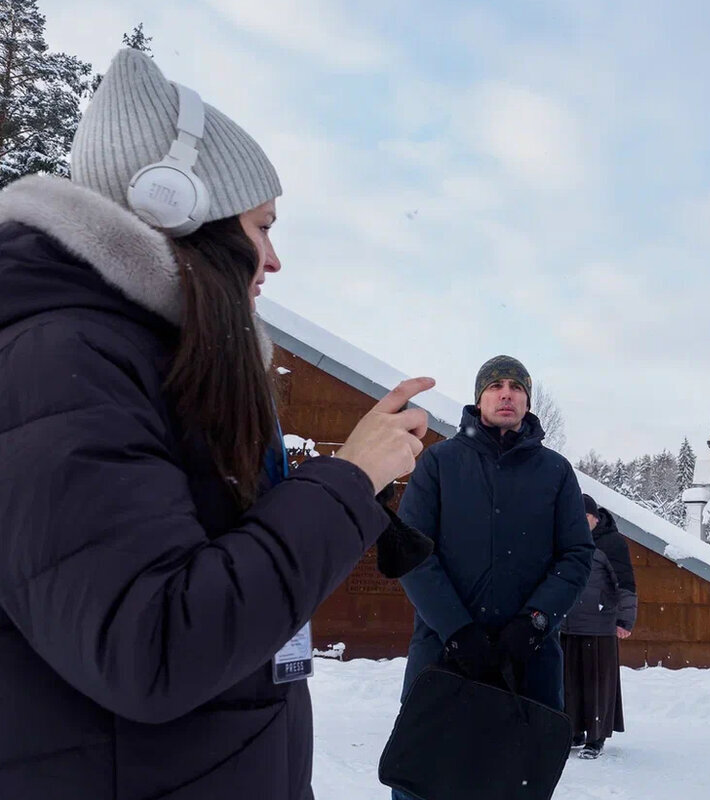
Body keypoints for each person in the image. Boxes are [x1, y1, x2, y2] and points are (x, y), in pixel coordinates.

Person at [0, 49, 433, 799]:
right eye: (263, 225)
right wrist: (348, 478)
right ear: (174, 202)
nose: (273, 257)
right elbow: (155, 647)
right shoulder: (62, 360)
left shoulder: (136, 356)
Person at [394, 355, 593, 742]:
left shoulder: (556, 471)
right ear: (479, 399)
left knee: (516, 779)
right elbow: (411, 551)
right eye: (496, 386)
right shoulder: (439, 462)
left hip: (529, 666)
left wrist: (533, 623)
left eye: (517, 387)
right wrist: (457, 630)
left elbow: (576, 555)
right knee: (428, 780)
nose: (506, 394)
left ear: (527, 402)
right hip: (443, 658)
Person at [561, 494, 638, 759]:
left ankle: (596, 737)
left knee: (597, 684)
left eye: (585, 518)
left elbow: (625, 583)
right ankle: (574, 731)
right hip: (569, 625)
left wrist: (624, 620)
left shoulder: (612, 543)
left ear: (595, 517)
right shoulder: (566, 541)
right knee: (570, 682)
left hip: (600, 624)